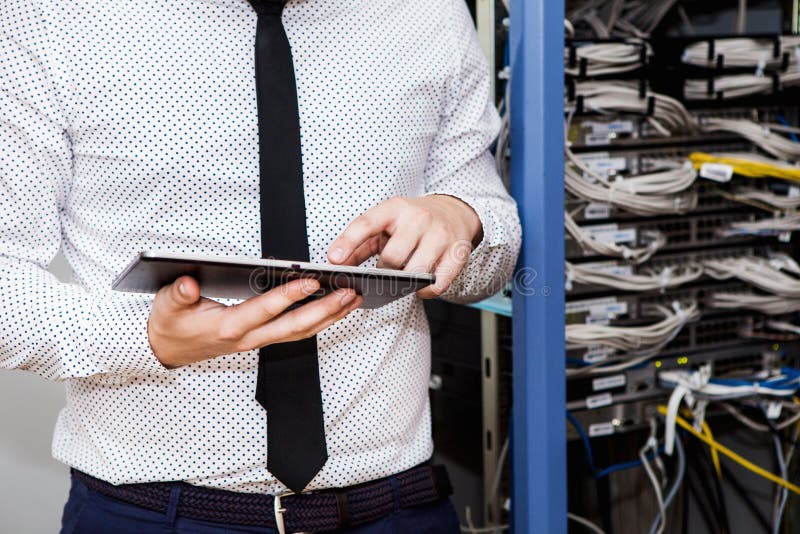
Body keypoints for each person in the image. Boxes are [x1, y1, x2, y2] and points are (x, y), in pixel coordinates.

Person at [0, 0, 521, 532]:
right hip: (151, 513)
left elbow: (493, 255)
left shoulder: (429, 13)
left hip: (397, 508)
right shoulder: (48, 16)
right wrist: (146, 337)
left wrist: (461, 219)